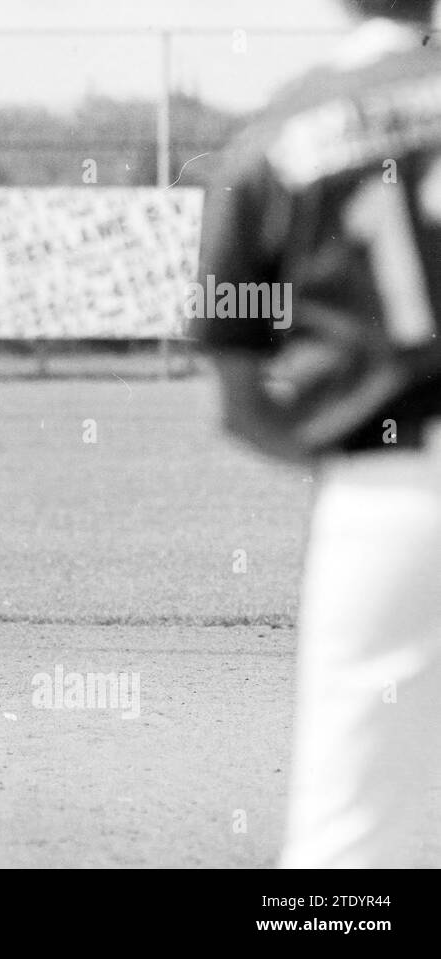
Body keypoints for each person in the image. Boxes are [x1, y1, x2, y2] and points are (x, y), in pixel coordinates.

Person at [192, 0, 441, 866]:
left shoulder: (276, 133)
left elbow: (236, 393)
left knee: (348, 848)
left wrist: (346, 468)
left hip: (387, 492)